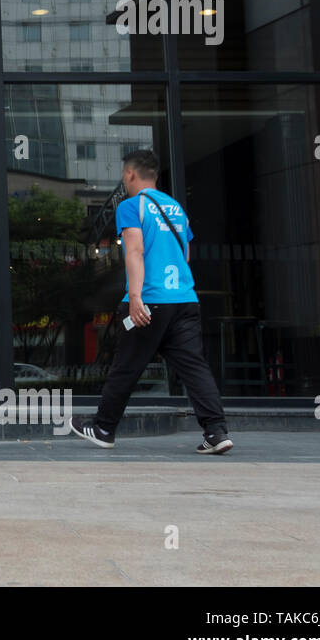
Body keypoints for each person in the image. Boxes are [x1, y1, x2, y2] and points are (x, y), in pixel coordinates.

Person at [69, 149, 233, 454]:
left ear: (130, 174)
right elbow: (184, 255)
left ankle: (104, 427)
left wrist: (134, 297)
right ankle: (216, 431)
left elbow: (134, 251)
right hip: (184, 300)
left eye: (124, 175)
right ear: (154, 175)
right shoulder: (177, 209)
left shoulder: (132, 207)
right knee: (194, 367)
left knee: (126, 366)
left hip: (150, 302)